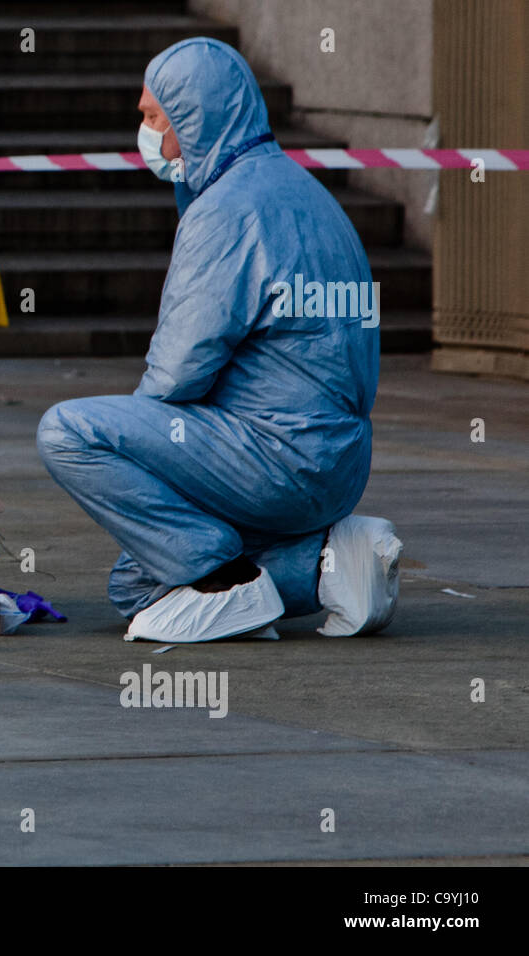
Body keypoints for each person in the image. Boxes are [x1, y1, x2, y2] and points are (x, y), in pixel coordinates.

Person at [36, 38, 401, 643]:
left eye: (153, 117)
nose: (145, 131)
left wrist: (146, 462)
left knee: (68, 432)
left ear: (193, 119)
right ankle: (326, 567)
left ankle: (226, 582)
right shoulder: (313, 198)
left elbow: (176, 375)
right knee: (136, 588)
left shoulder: (228, 211)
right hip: (336, 461)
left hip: (273, 458)